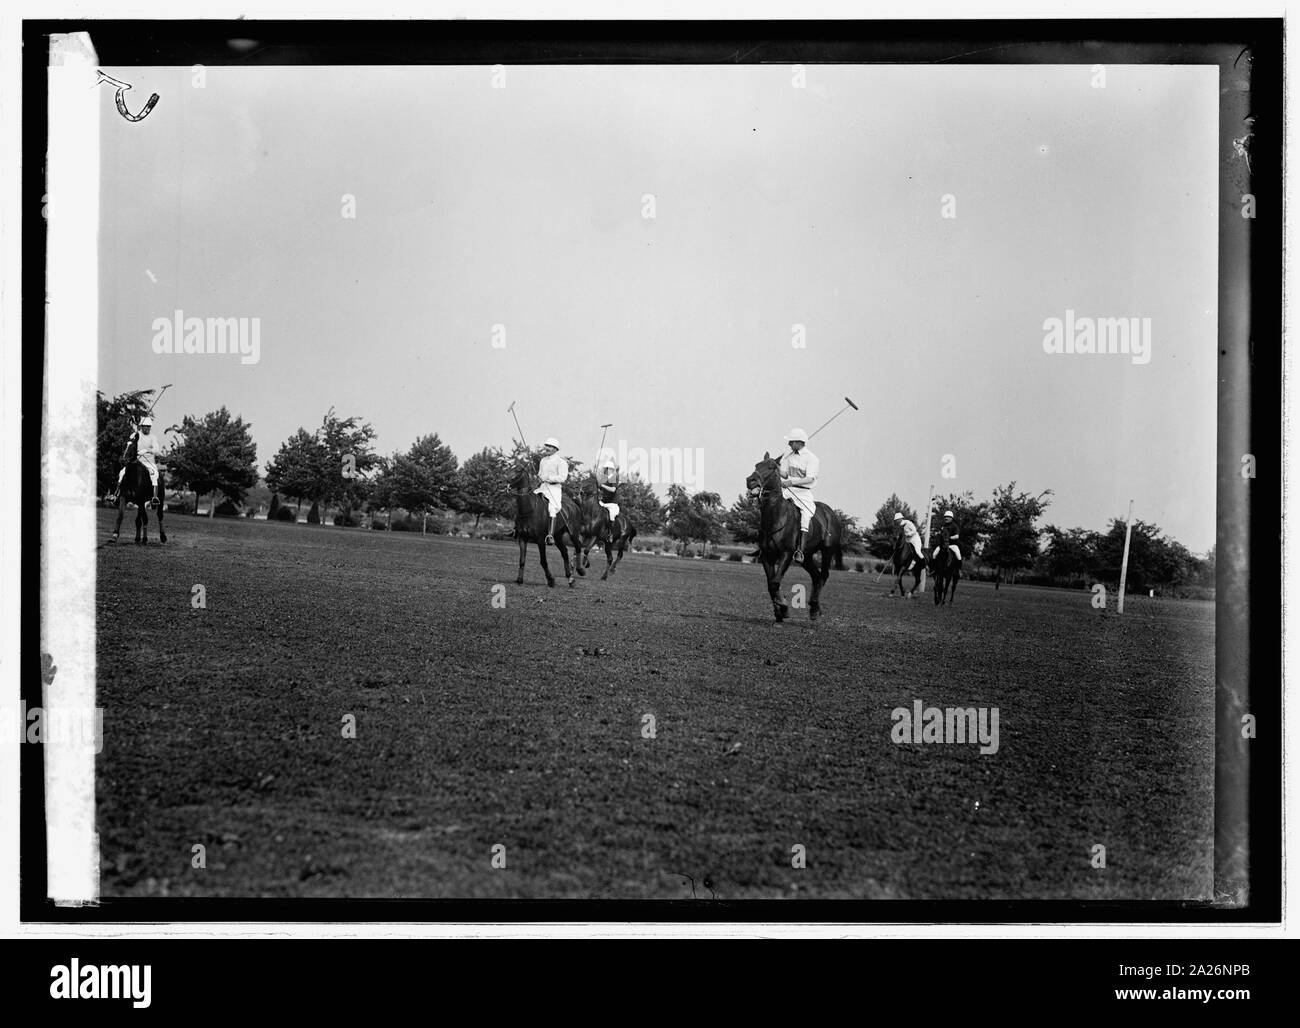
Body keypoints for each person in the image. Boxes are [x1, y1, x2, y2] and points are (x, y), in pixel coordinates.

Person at [779, 427, 819, 562]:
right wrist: (776, 468)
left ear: (799, 442)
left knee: (805, 516)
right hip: (787, 491)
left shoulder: (812, 458)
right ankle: (764, 545)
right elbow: (786, 474)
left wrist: (790, 482)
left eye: (791, 442)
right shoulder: (790, 456)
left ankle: (800, 551)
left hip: (803, 493)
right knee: (771, 508)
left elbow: (810, 478)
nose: (789, 444)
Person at [107, 414, 162, 506]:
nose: (148, 428)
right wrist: (134, 437)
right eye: (146, 426)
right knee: (122, 472)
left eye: (149, 427)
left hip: (148, 462)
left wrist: (146, 450)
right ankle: (115, 494)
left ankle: (154, 497)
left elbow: (156, 450)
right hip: (135, 461)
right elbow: (129, 444)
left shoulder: (153, 437)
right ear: (141, 427)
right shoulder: (135, 434)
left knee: (154, 474)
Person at [534, 437, 569, 544]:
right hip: (542, 487)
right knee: (527, 501)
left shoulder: (561, 461)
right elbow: (540, 474)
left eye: (549, 446)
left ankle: (550, 535)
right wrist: (539, 477)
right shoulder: (543, 460)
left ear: (555, 449)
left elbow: (563, 477)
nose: (547, 448)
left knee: (552, 508)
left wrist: (549, 478)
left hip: (554, 489)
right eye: (546, 446)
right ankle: (517, 529)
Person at [596, 458, 620, 523]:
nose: (605, 470)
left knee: (611, 518)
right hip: (603, 502)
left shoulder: (614, 477)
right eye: (605, 469)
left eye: (606, 469)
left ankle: (612, 532)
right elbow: (600, 489)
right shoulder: (605, 479)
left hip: (612, 504)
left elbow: (613, 489)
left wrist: (603, 485)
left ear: (610, 469)